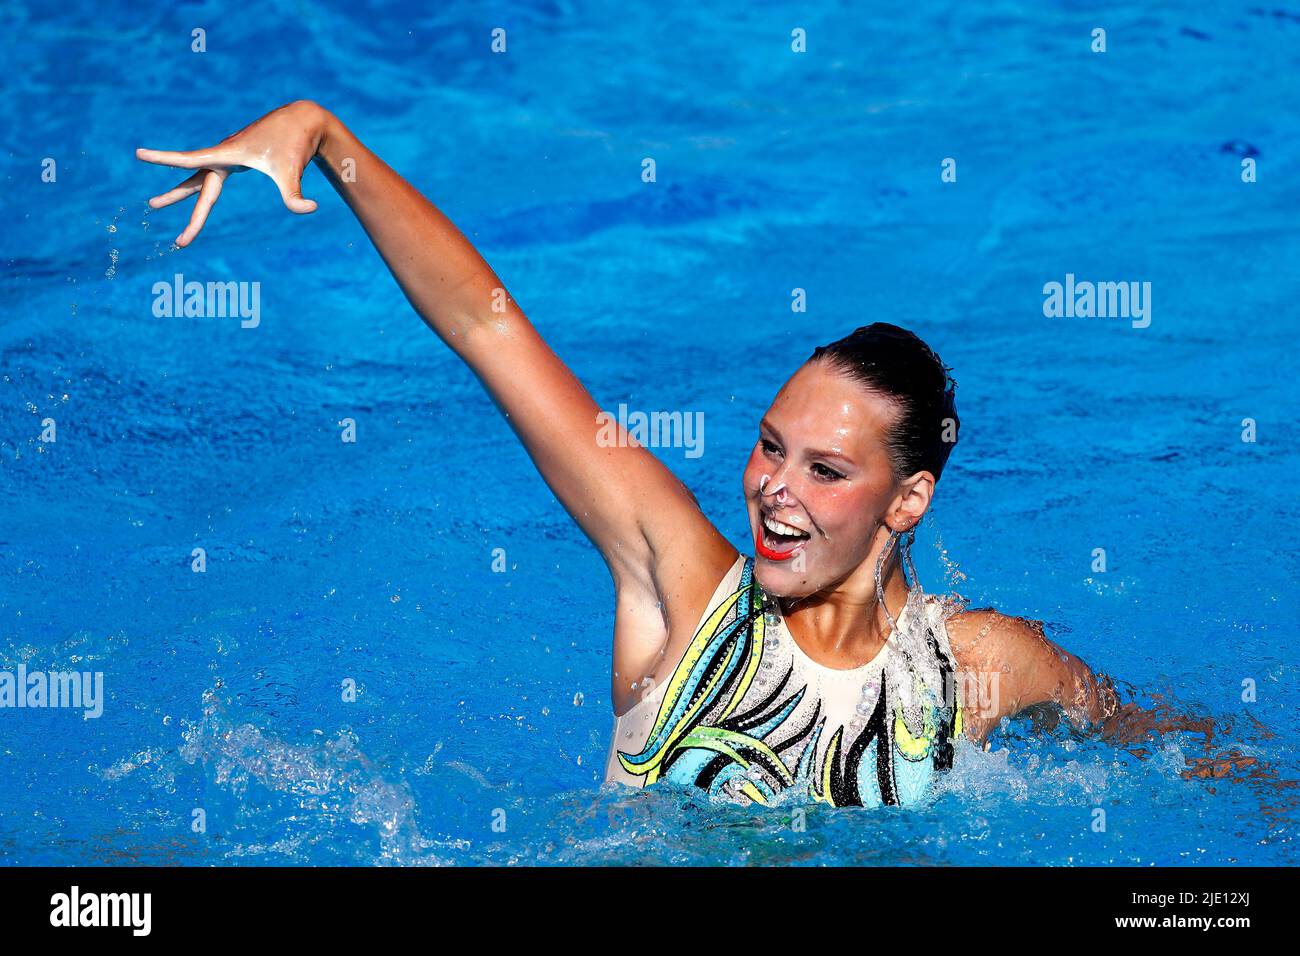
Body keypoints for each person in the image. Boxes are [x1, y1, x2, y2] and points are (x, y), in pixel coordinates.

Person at [138, 101, 1120, 808]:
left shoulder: (983, 663)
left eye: (825, 469)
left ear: (905, 500)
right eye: (769, 446)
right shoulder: (681, 584)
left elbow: (1145, 744)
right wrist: (327, 140)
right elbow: (491, 332)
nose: (774, 488)